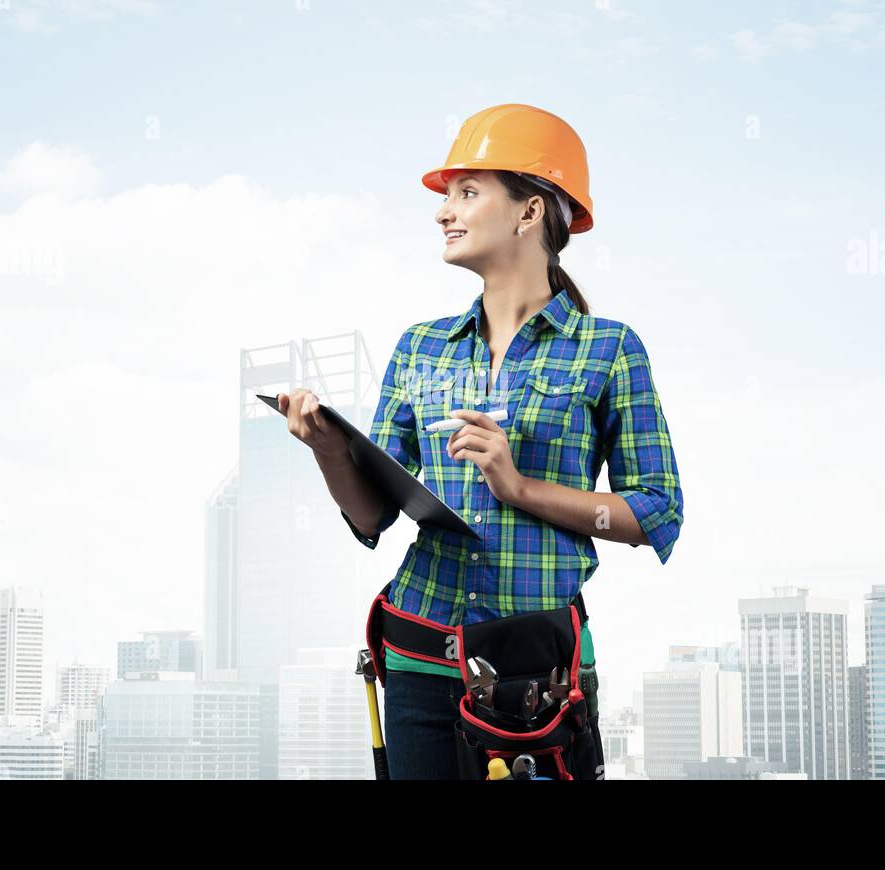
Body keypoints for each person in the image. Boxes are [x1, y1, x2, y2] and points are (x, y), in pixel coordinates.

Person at [278, 103, 683, 779]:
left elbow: (655, 512)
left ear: (530, 213)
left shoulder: (608, 349)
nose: (444, 212)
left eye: (468, 193)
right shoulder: (421, 348)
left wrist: (518, 488)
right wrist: (327, 449)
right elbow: (372, 515)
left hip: (536, 676)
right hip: (417, 655)